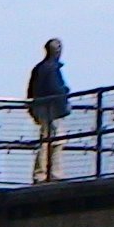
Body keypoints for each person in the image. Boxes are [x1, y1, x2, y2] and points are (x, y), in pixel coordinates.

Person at [27, 38, 70, 182]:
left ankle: (41, 174)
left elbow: (31, 90)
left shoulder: (39, 68)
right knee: (57, 141)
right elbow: (56, 89)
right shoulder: (52, 69)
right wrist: (65, 92)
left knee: (45, 141)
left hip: (41, 108)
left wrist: (32, 108)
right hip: (53, 110)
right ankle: (54, 173)